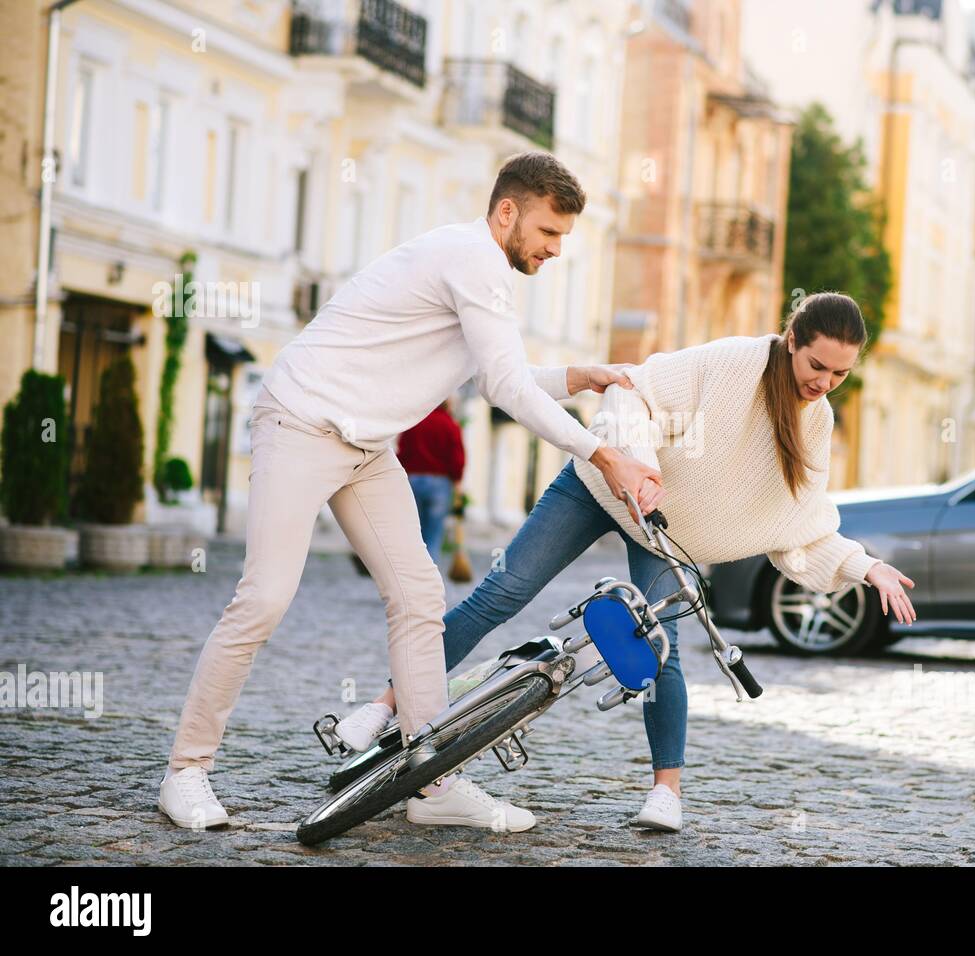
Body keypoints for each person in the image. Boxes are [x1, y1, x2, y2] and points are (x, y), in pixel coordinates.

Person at [159, 150, 661, 832]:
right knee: (265, 597)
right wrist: (603, 454)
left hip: (366, 449)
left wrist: (580, 375)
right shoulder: (471, 259)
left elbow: (497, 376)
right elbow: (509, 388)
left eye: (563, 239)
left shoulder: (481, 273)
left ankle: (433, 783)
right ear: (507, 211)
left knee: (420, 597)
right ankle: (185, 772)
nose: (554, 250)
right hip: (302, 422)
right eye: (548, 233)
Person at [335, 292, 917, 833]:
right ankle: (384, 706)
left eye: (841, 374)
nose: (826, 383)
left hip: (664, 528)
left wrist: (867, 567)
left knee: (661, 644)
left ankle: (667, 793)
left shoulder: (816, 421)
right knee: (502, 593)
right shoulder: (730, 363)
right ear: (792, 339)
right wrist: (636, 465)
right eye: (818, 366)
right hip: (604, 484)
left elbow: (803, 518)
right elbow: (634, 390)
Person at [397, 400, 465, 561]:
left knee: (413, 534)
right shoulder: (450, 425)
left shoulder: (414, 422)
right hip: (439, 484)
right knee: (433, 535)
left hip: (412, 481)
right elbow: (457, 459)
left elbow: (402, 452)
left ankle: (411, 573)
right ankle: (428, 579)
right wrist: (457, 481)